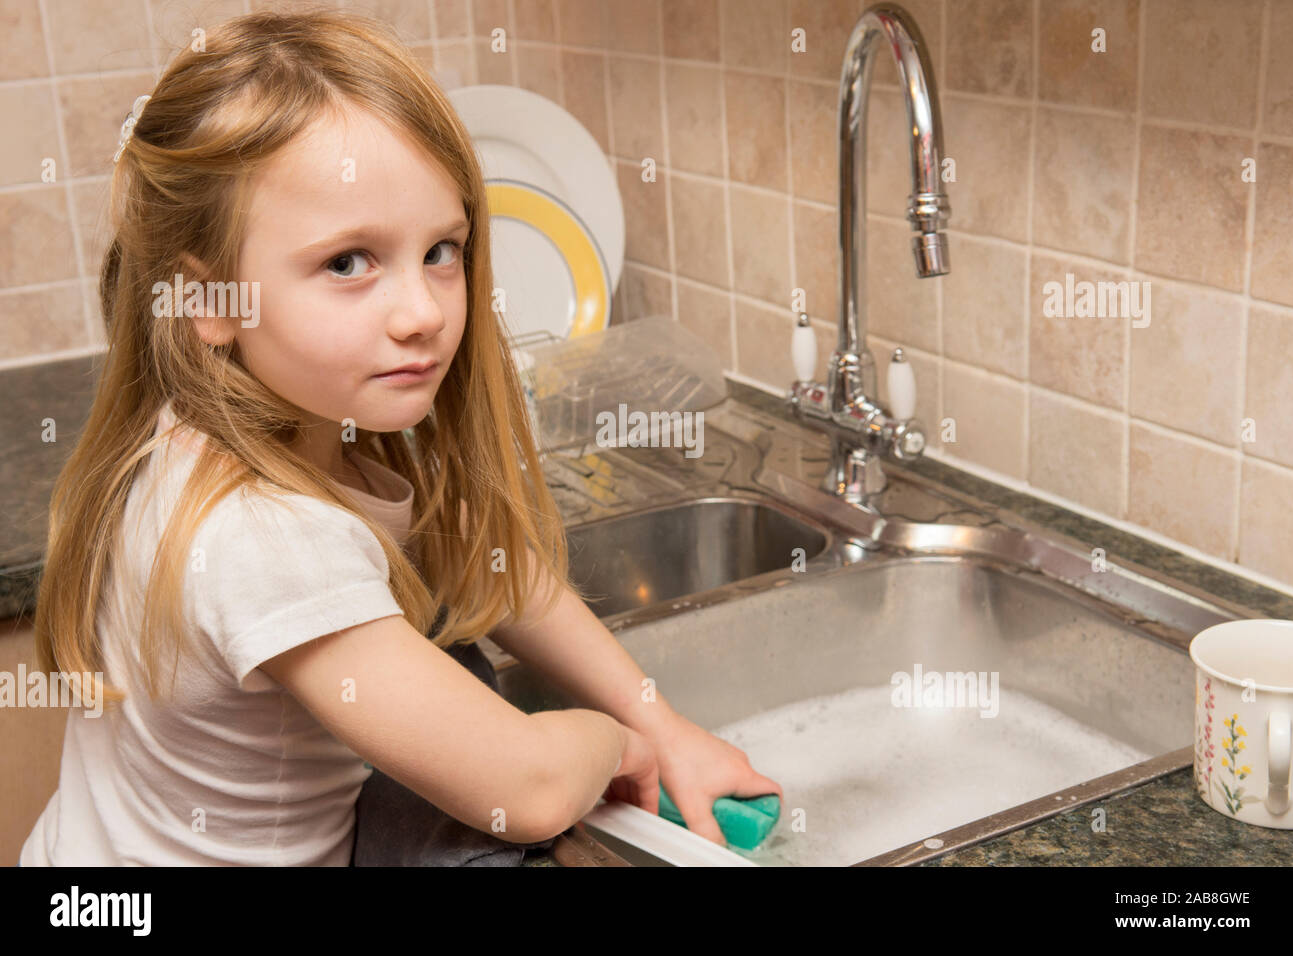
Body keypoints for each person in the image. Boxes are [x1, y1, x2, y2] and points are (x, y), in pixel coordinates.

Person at [19, 9, 782, 867]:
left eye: (442, 250)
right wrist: (620, 743)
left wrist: (662, 719)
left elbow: (493, 564)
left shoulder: (266, 428)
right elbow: (524, 788)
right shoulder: (259, 534)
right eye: (348, 263)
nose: (422, 312)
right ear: (207, 301)